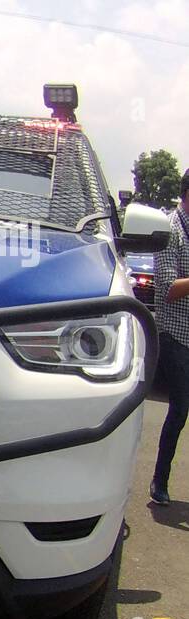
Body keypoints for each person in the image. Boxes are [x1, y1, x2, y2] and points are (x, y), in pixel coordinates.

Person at [151, 171, 189, 505]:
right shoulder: (171, 231)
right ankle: (159, 481)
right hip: (176, 333)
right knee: (180, 409)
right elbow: (166, 289)